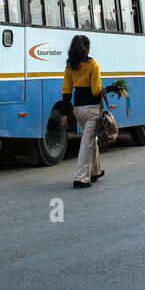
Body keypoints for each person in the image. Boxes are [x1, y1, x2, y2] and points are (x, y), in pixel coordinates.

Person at [59, 34, 104, 188]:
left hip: (78, 110)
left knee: (91, 139)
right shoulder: (94, 65)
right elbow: (96, 91)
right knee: (87, 142)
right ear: (87, 48)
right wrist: (111, 89)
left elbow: (66, 91)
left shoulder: (70, 66)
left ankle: (96, 170)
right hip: (92, 110)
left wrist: (65, 113)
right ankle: (80, 178)